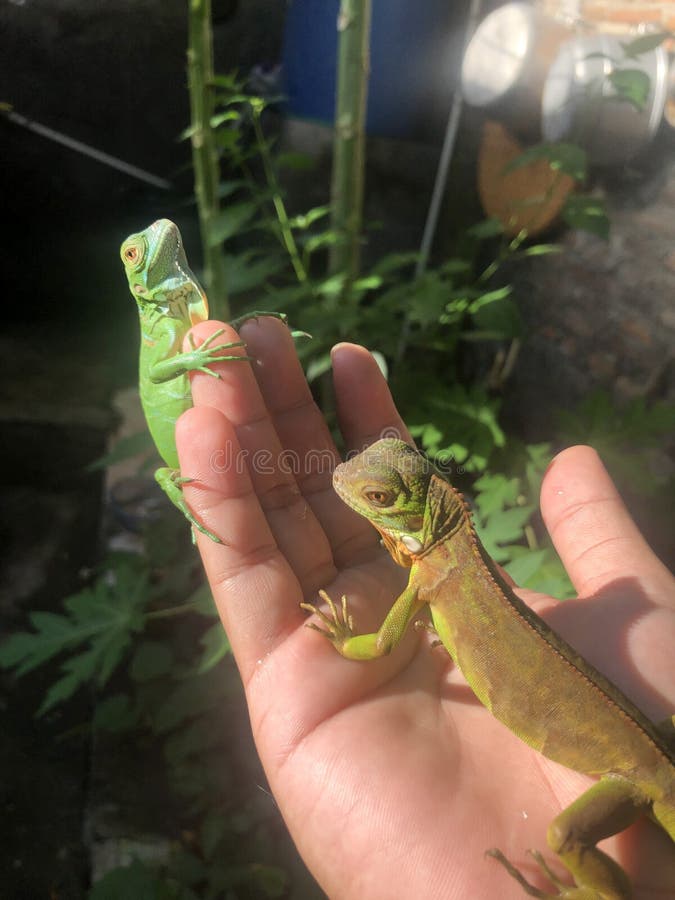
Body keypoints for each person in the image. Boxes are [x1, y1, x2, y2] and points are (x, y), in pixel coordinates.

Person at [175, 317, 675, 899]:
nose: (348, 483)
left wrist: (340, 640)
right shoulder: (454, 559)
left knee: (566, 836)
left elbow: (380, 647)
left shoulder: (430, 580)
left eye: (379, 498)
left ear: (417, 516)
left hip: (636, 776)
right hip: (650, 752)